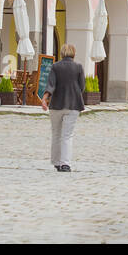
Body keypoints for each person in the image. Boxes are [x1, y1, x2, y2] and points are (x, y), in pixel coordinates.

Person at [41, 43, 85, 172]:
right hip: (73, 105)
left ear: (61, 53)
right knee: (67, 135)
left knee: (56, 134)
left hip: (56, 105)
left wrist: (45, 99)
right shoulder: (78, 67)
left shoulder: (55, 66)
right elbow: (82, 86)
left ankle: (56, 162)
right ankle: (65, 163)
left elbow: (51, 84)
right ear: (73, 53)